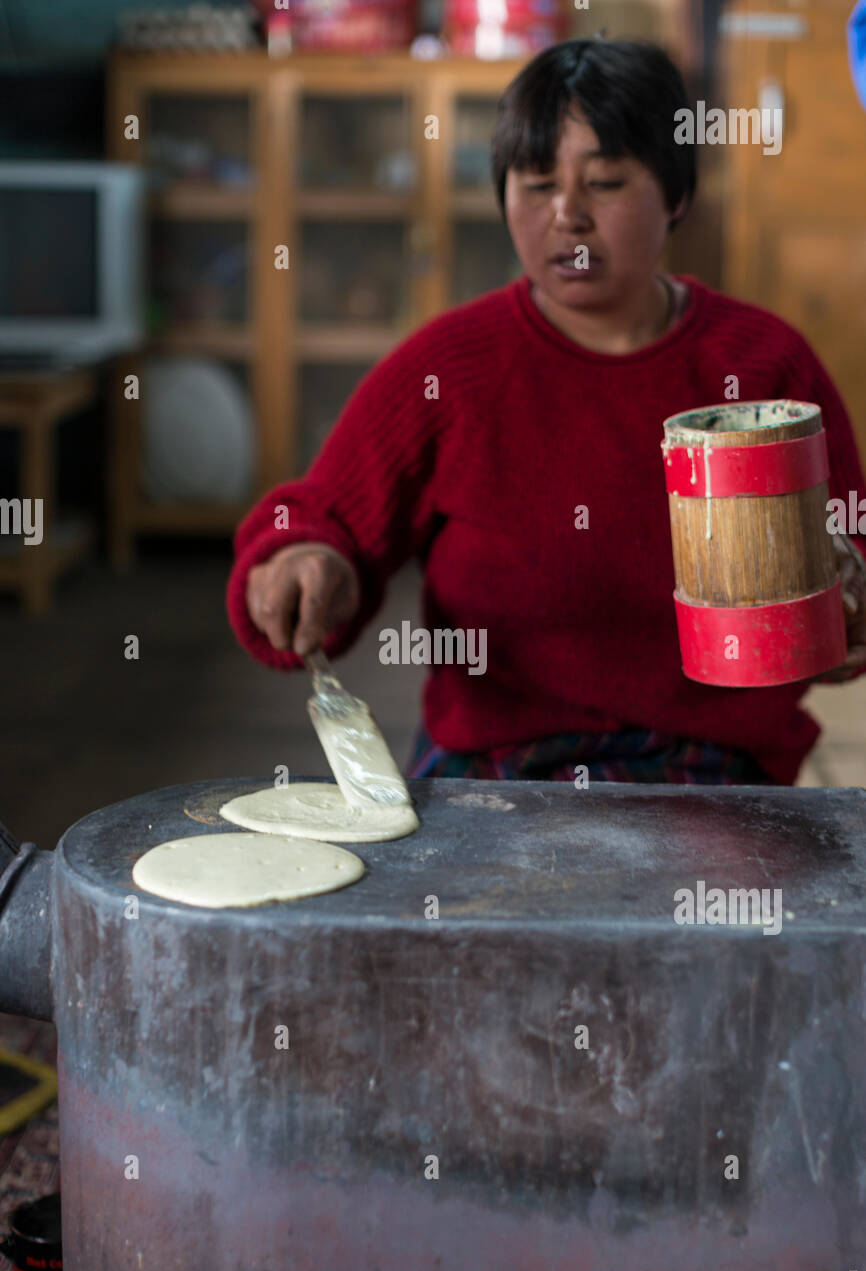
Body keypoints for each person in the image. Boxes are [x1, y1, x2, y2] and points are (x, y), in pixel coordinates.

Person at [227, 38, 866, 786]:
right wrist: (303, 562)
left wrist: (847, 600)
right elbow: (317, 520)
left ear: (679, 194)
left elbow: (849, 544)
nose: (568, 216)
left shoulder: (762, 367)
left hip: (715, 768)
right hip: (498, 768)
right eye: (535, 185)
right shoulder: (449, 369)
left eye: (605, 182)